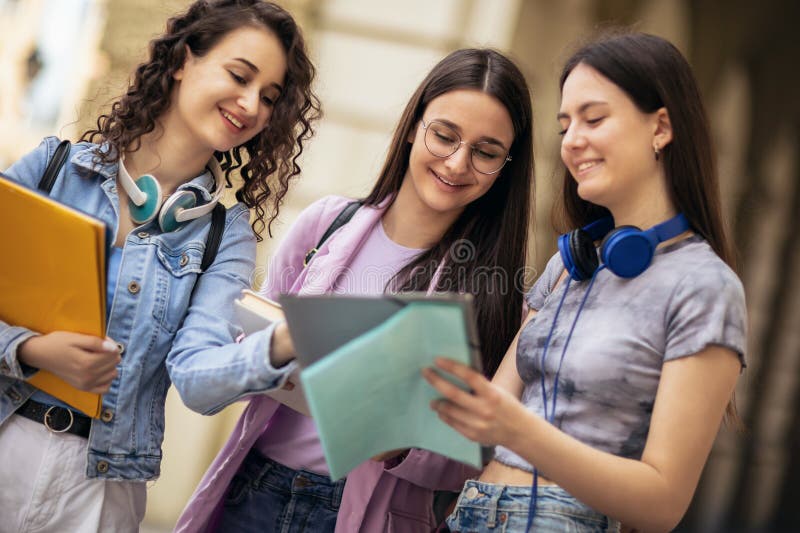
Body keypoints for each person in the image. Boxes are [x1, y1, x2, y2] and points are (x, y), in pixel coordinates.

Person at [176, 47, 534, 532]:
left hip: (363, 514)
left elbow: (476, 458)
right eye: (444, 135)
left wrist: (403, 446)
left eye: (486, 152)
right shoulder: (325, 224)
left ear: (506, 164)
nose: (456, 162)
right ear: (414, 125)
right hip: (254, 493)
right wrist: (275, 350)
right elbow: (238, 357)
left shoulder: (497, 293)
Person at [0, 1, 319, 531]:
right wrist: (33, 350)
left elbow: (196, 379)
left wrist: (282, 343)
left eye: (269, 98)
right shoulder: (53, 169)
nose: (250, 104)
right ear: (181, 61)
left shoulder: (227, 236)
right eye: (239, 76)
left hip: (99, 492)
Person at [424, 31, 747, 532]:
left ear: (660, 127)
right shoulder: (568, 264)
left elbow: (662, 504)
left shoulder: (706, 287)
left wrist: (521, 433)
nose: (572, 139)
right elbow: (492, 410)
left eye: (593, 119)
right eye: (565, 124)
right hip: (471, 510)